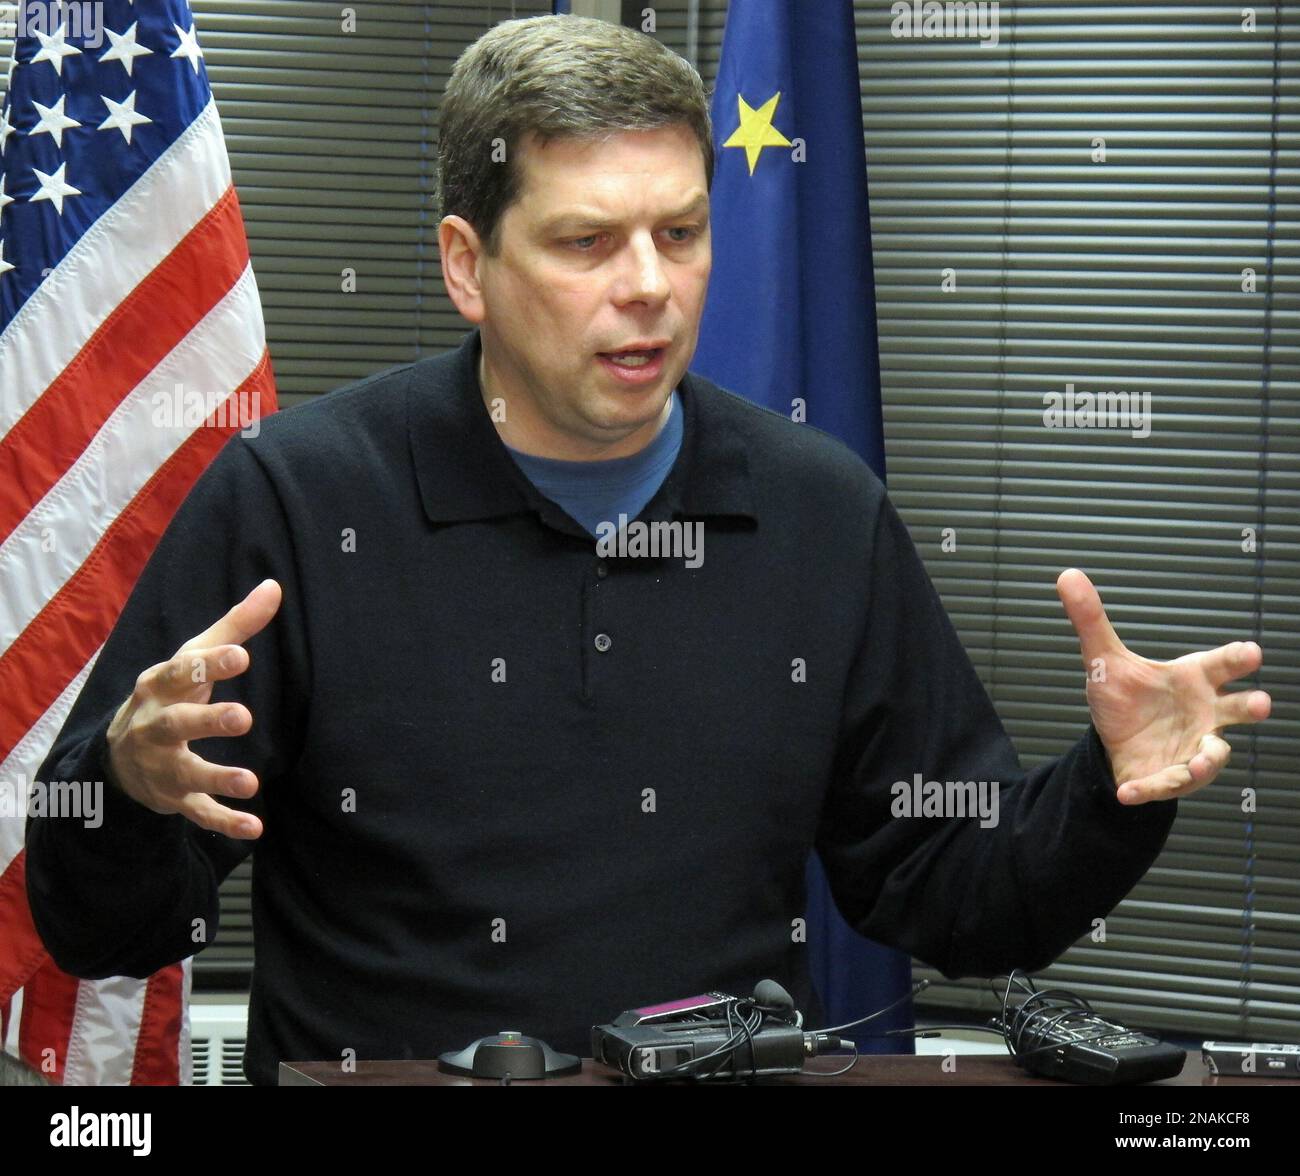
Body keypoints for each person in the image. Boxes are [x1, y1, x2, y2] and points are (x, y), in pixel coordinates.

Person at [25, 14, 1270, 1086]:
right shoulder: (294, 498)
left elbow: (954, 894)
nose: (650, 287)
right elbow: (98, 930)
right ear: (468, 265)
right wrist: (127, 793)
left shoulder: (816, 511)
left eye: (680, 235)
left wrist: (1106, 791)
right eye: (586, 243)